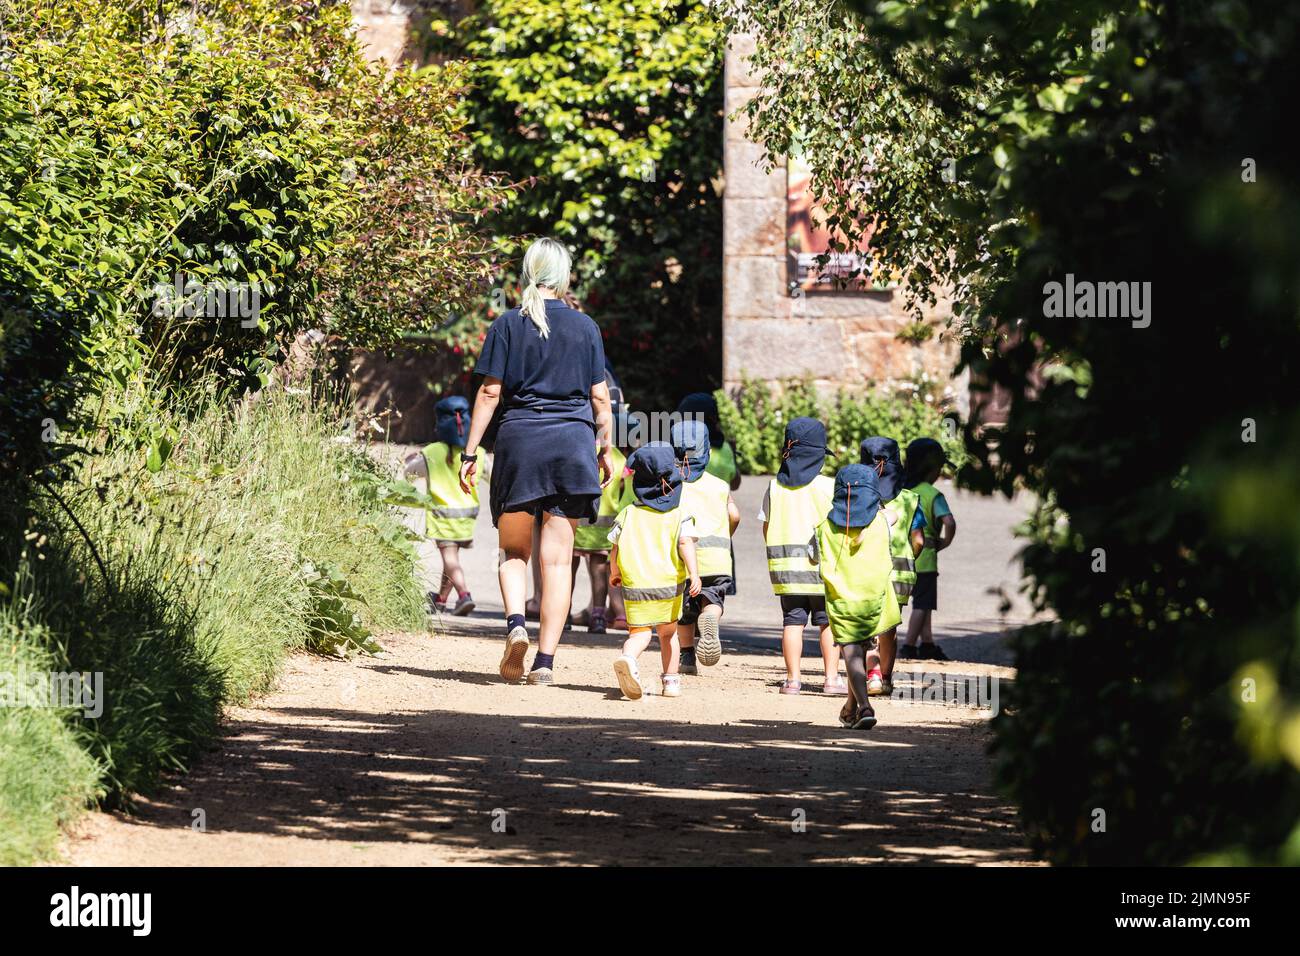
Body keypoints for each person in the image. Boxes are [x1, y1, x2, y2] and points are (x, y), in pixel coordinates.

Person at [459, 237, 614, 686]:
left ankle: (515, 625)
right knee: (558, 561)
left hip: (520, 445)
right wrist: (603, 446)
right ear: (564, 277)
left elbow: (490, 393)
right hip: (571, 446)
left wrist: (471, 452)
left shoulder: (507, 324)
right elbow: (600, 400)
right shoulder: (586, 328)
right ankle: (545, 664)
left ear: (527, 273)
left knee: (514, 550)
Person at [808, 464, 902, 731]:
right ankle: (851, 708)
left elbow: (812, 555)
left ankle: (865, 707)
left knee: (850, 651)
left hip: (842, 601)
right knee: (860, 651)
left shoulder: (824, 528)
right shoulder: (883, 522)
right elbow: (892, 515)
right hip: (874, 599)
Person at [758, 417, 845, 695]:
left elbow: (766, 525)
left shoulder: (774, 487)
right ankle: (831, 679)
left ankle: (792, 679)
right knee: (828, 623)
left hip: (785, 571)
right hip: (822, 570)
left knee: (792, 621)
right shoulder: (828, 487)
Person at [609, 443, 702, 700]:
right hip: (668, 585)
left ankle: (628, 657)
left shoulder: (627, 514)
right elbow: (685, 544)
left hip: (635, 584)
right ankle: (670, 682)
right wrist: (694, 574)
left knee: (638, 633)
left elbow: (614, 548)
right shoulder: (678, 516)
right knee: (668, 633)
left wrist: (614, 572)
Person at [669, 419, 740, 674]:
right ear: (707, 451)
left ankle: (687, 659)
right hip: (716, 557)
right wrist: (726, 534)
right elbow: (734, 515)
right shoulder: (720, 485)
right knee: (712, 599)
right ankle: (710, 615)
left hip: (683, 559)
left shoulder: (672, 485)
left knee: (684, 612)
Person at [403, 395, 481, 616]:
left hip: (443, 517)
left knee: (450, 558)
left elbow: (410, 474)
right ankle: (442, 598)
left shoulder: (431, 453)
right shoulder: (477, 453)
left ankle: (464, 594)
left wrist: (410, 461)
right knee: (452, 558)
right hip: (467, 519)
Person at [860, 436, 925, 694]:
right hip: (900, 573)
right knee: (889, 627)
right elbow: (918, 540)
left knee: (867, 626)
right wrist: (910, 556)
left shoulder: (859, 495)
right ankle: (886, 678)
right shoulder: (910, 499)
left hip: (864, 572)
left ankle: (872, 674)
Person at [570, 402, 634, 633]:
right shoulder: (619, 459)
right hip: (603, 527)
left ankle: (563, 613)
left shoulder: (584, 450)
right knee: (599, 571)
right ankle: (598, 616)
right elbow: (625, 492)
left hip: (577, 521)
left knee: (568, 568)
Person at [899, 437, 958, 661]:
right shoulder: (933, 494)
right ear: (931, 469)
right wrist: (945, 541)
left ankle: (928, 643)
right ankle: (910, 645)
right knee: (922, 605)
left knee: (924, 603)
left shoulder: (902, 489)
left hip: (902, 555)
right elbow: (949, 522)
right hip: (925, 558)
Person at [677, 392, 741, 491]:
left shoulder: (679, 448)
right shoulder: (726, 449)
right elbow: (735, 485)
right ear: (714, 418)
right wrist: (733, 456)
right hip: (719, 506)